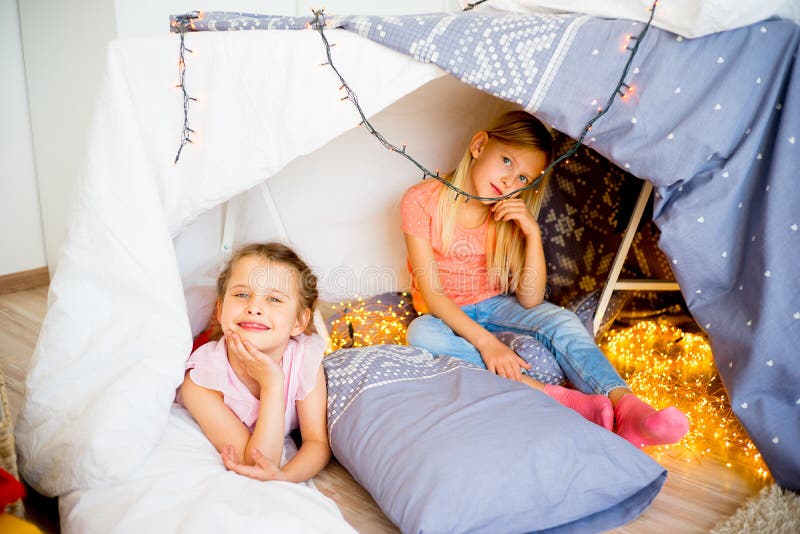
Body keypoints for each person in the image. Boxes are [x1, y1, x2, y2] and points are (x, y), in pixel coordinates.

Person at [401, 110, 689, 447]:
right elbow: (434, 296)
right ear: (479, 145)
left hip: (496, 305)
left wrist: (531, 234)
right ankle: (560, 399)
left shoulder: (507, 213)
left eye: (524, 178)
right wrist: (488, 344)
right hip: (445, 316)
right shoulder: (422, 201)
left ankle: (627, 406)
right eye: (507, 161)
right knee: (421, 334)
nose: (511, 182)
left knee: (563, 320)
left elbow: (530, 300)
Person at [177, 242, 330, 482]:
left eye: (274, 299)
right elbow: (257, 462)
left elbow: (316, 442)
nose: (254, 307)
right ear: (220, 310)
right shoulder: (201, 381)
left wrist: (285, 477)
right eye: (241, 295)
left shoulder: (304, 359)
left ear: (299, 322)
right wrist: (272, 385)